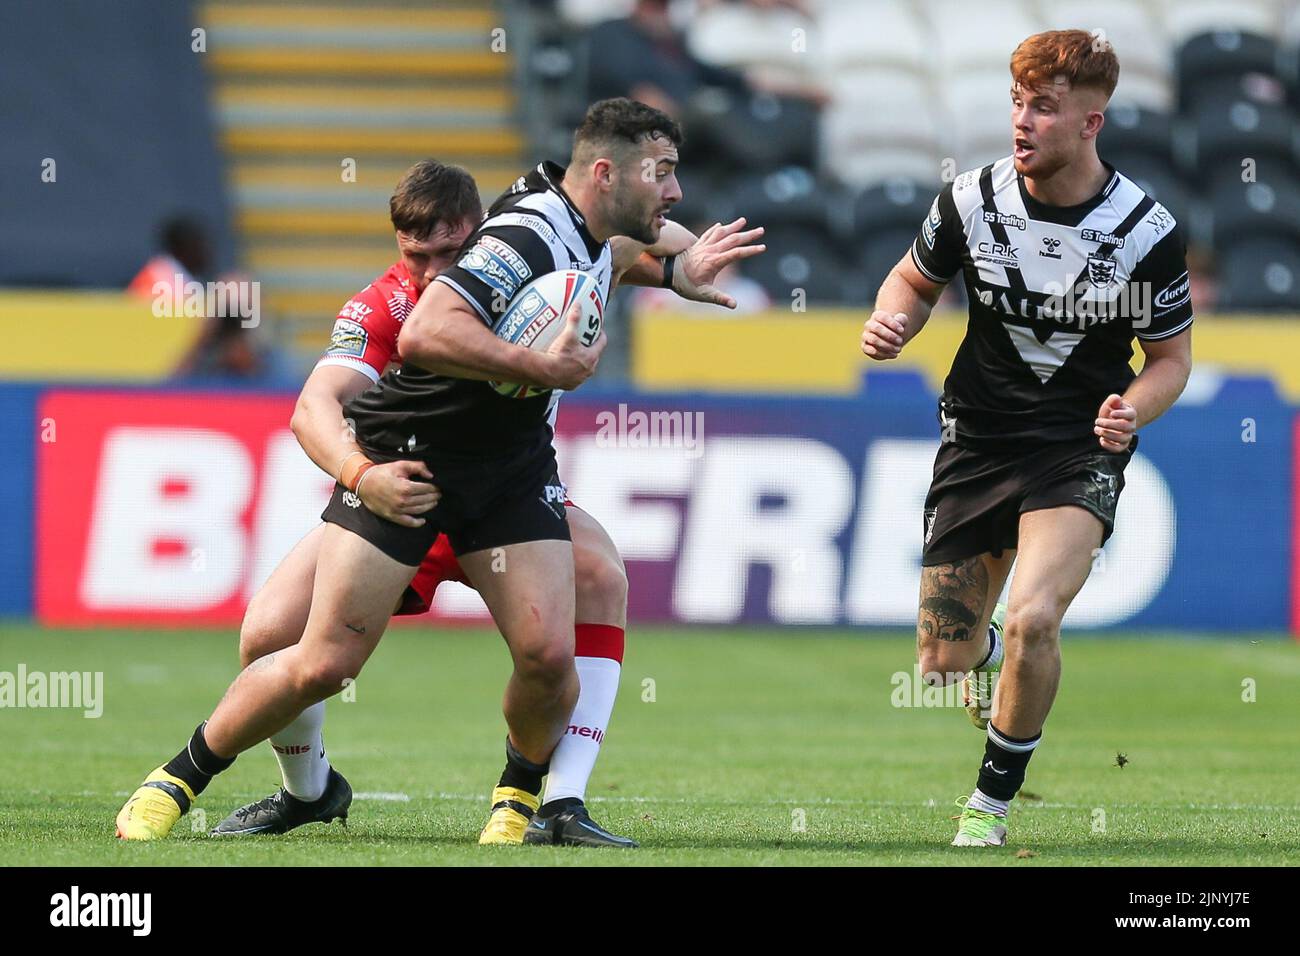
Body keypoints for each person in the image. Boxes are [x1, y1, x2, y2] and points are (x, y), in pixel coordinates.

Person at [115, 99, 763, 847]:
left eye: (451, 255)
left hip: (508, 474)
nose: (432, 273)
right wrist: (363, 473)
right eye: (416, 257)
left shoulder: (564, 235)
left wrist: (681, 266)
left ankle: (534, 804)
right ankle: (243, 784)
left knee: (567, 629)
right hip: (408, 475)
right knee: (288, 643)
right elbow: (319, 404)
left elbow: (629, 245)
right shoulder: (426, 289)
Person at [860, 31, 1193, 848]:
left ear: (1091, 122)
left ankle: (990, 806)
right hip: (976, 440)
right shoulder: (971, 199)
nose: (1022, 120)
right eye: (1016, 102)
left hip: (1077, 449)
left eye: (1043, 106)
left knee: (1037, 616)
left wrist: (1133, 410)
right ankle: (987, 665)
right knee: (941, 664)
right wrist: (895, 317)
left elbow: (1172, 359)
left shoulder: (1146, 230)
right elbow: (913, 276)